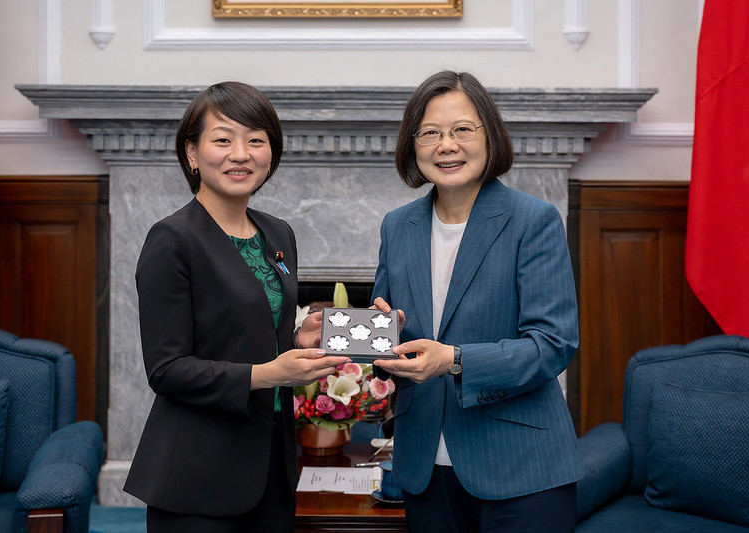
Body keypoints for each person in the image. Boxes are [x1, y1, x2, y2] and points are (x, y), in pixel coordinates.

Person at [123, 81, 348, 532]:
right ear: (192, 152)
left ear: (271, 153)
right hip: (197, 476)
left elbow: (245, 328)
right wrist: (272, 373)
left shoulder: (278, 233)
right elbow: (166, 369)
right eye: (223, 139)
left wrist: (297, 336)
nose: (240, 153)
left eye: (256, 140)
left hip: (271, 468)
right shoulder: (172, 239)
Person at [372, 71, 583, 532]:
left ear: (491, 136)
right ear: (413, 145)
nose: (446, 145)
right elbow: (386, 331)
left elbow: (553, 343)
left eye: (462, 129)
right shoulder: (396, 226)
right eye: (430, 133)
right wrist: (379, 337)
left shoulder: (534, 220)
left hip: (522, 468)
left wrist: (454, 359)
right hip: (423, 464)